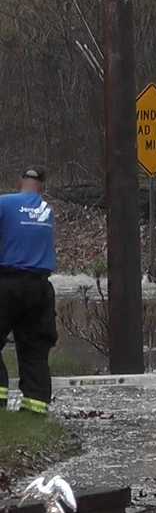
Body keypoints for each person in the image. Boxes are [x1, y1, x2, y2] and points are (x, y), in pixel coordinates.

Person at [0, 166, 58, 415]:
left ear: (19, 181)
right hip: (40, 288)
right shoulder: (47, 211)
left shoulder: (4, 203)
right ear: (42, 187)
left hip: (8, 284)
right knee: (35, 349)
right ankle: (35, 408)